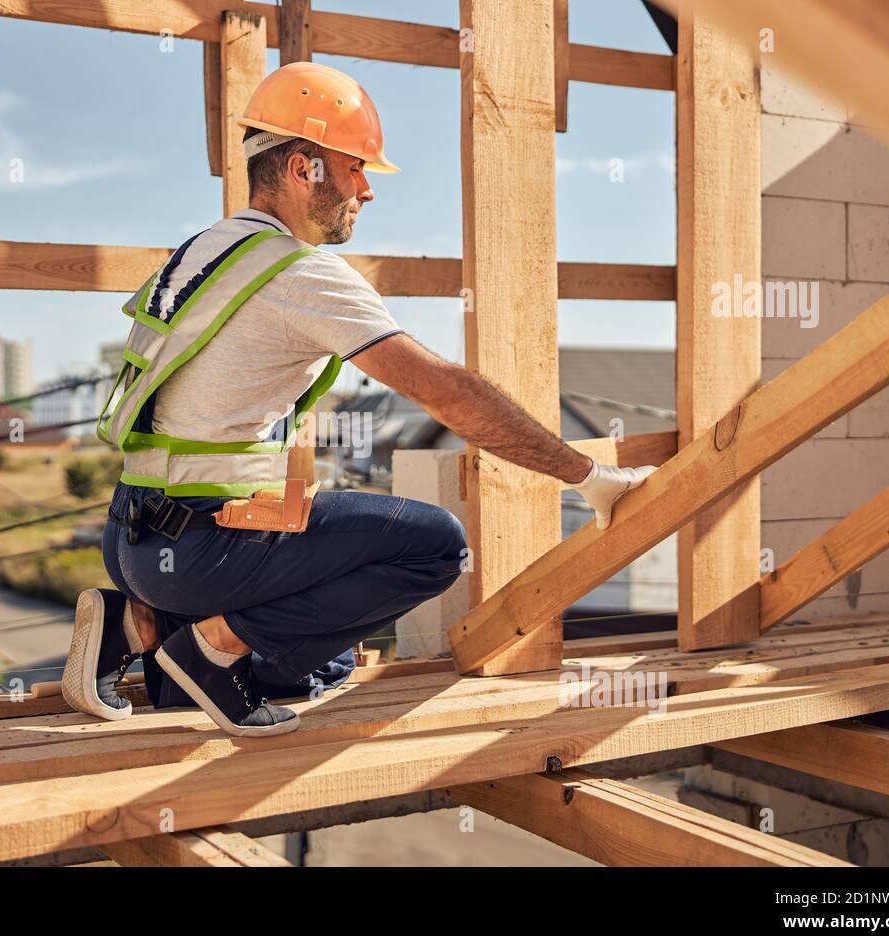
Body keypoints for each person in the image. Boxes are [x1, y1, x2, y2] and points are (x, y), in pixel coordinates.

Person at [61, 62, 653, 738]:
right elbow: (446, 391)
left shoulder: (202, 253)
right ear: (304, 168)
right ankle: (212, 649)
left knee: (324, 665)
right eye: (355, 168)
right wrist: (588, 477)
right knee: (432, 547)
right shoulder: (301, 274)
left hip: (133, 537)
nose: (367, 190)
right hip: (200, 551)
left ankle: (134, 626)